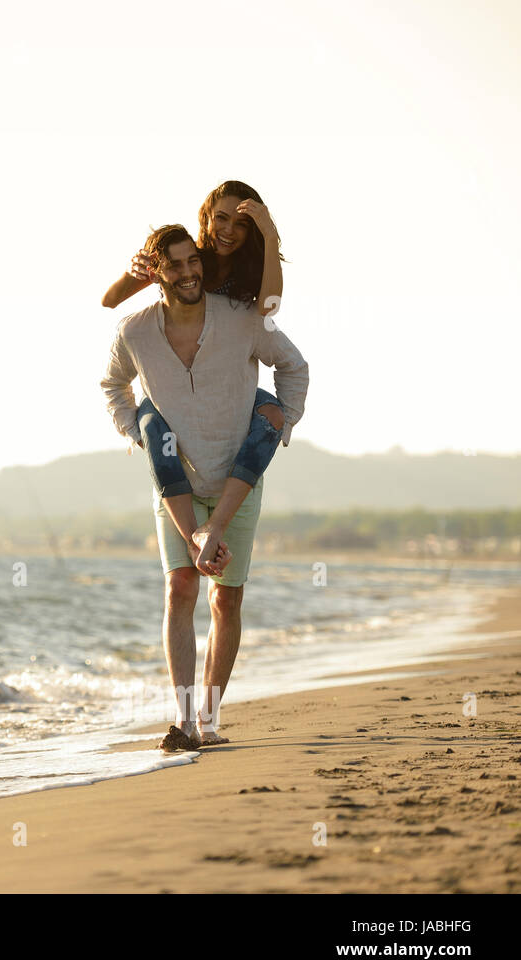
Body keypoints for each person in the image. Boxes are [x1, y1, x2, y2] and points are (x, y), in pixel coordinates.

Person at [100, 224, 308, 751]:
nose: (189, 271)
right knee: (180, 589)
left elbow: (294, 365)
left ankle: (211, 717)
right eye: (175, 265)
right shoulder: (135, 331)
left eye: (194, 261)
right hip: (177, 486)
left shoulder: (240, 320)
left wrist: (283, 421)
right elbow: (113, 383)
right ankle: (186, 718)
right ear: (156, 271)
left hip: (238, 478)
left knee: (227, 600)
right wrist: (136, 430)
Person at [101, 181, 287, 576]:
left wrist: (270, 235)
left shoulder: (254, 264)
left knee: (270, 411)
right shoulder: (185, 258)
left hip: (227, 384)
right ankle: (194, 536)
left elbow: (269, 308)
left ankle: (215, 527)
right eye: (221, 218)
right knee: (152, 422)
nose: (228, 231)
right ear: (206, 217)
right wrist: (135, 270)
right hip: (181, 385)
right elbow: (111, 299)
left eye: (242, 224)